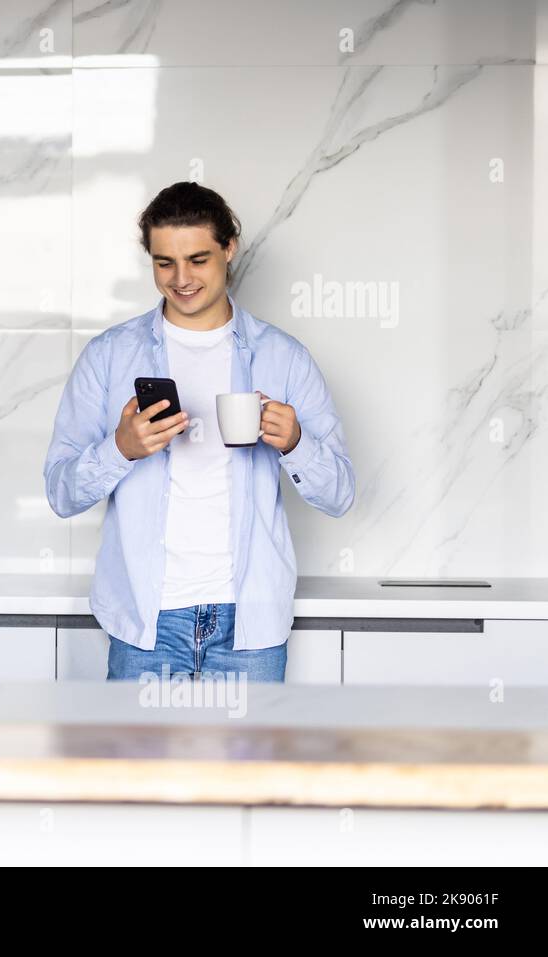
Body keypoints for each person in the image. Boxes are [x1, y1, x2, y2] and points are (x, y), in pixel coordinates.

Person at [43, 182, 354, 682]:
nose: (181, 278)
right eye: (164, 262)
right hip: (145, 621)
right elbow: (61, 492)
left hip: (249, 621)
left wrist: (296, 444)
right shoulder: (109, 356)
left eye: (198, 259)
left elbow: (339, 494)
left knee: (246, 764)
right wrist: (119, 450)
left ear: (229, 249)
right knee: (139, 764)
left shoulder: (284, 357)